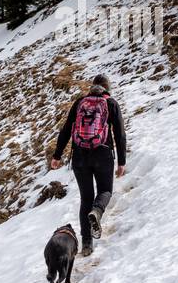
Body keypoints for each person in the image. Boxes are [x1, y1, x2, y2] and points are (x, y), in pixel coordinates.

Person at [49, 74, 126, 256]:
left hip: (80, 157)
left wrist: (57, 155)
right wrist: (121, 161)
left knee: (86, 198)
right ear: (107, 88)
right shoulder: (111, 104)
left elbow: (67, 129)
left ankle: (86, 245)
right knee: (105, 191)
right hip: (103, 154)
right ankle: (97, 212)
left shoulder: (80, 103)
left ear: (92, 87)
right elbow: (120, 134)